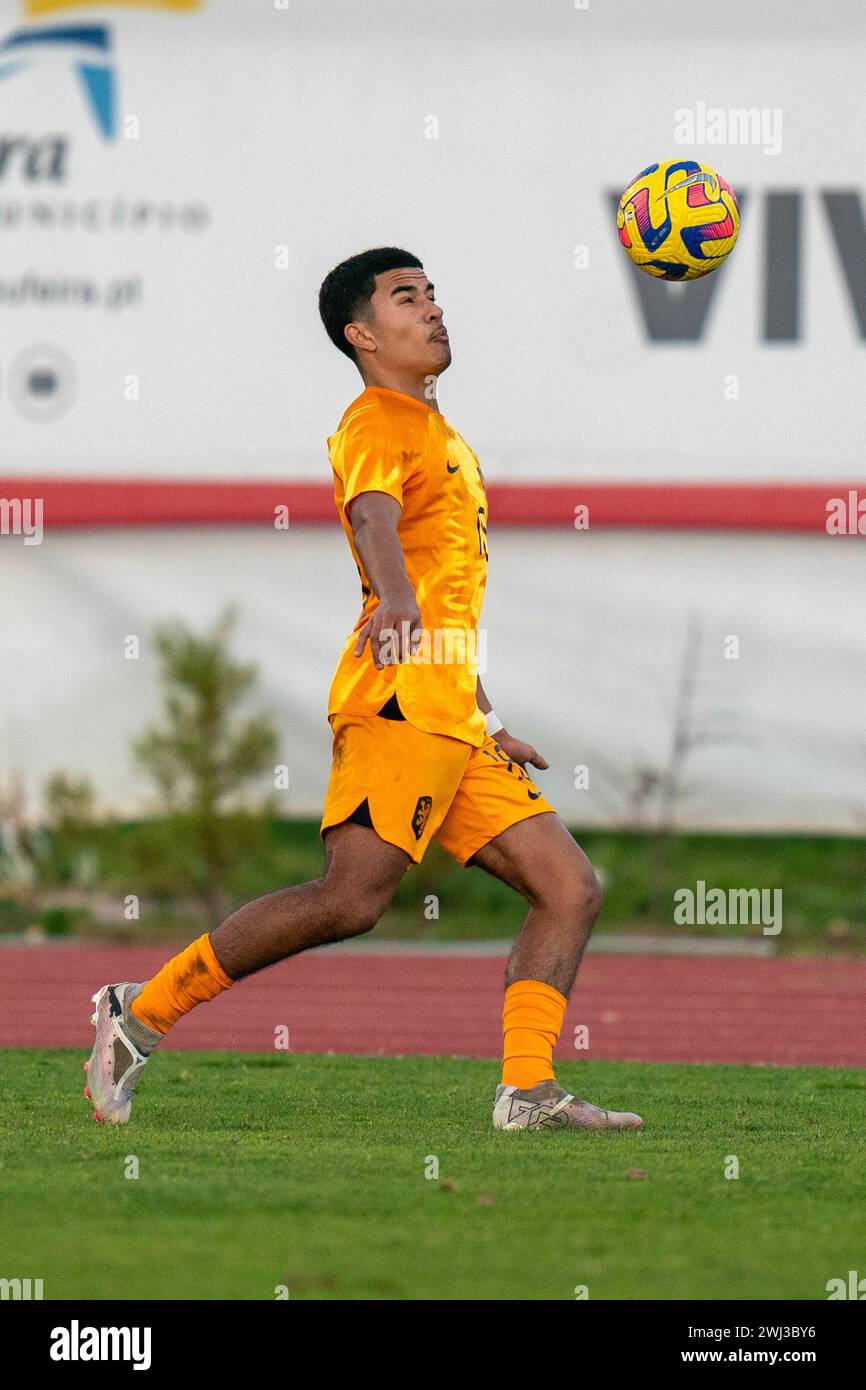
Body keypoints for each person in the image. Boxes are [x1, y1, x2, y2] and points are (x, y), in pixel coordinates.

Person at [83, 247, 641, 1133]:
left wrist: (487, 715)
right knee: (351, 901)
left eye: (434, 294)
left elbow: (445, 590)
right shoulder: (376, 420)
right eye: (406, 297)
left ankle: (527, 1091)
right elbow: (373, 517)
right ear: (362, 334)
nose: (433, 310)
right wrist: (397, 593)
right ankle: (138, 1015)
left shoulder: (444, 436)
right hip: (396, 702)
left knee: (569, 887)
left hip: (451, 708)